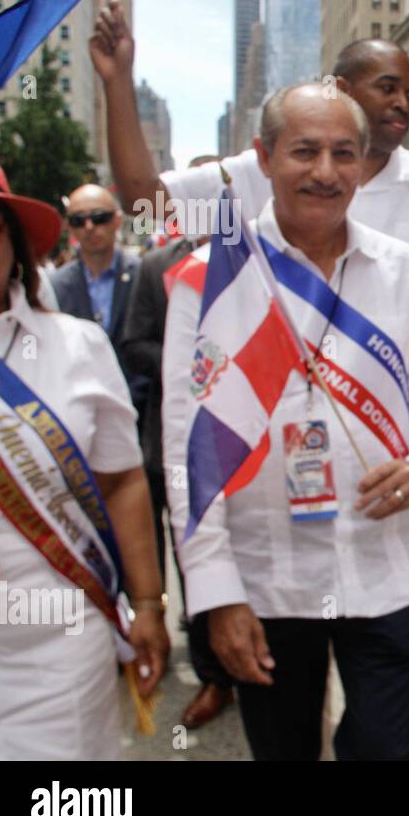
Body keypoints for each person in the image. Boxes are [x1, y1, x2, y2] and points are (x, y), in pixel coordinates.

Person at [91, 2, 409, 526]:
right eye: (388, 87)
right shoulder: (262, 172)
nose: (402, 103)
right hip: (269, 467)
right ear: (342, 92)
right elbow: (146, 200)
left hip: (389, 466)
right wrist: (118, 81)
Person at [162, 84, 409, 761]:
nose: (326, 172)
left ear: (363, 164)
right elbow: (189, 450)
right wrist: (215, 595)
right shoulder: (209, 279)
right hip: (266, 581)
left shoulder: (405, 270)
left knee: (386, 750)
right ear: (263, 157)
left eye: (344, 154)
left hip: (385, 567)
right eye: (304, 151)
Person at [0, 152, 168, 759]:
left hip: (59, 647)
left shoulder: (78, 346)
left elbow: (122, 481)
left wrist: (146, 605)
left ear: (12, 242)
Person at [120, 154, 236, 732]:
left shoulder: (255, 259)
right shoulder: (155, 267)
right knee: (190, 544)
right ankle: (209, 664)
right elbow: (133, 343)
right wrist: (188, 361)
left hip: (246, 440)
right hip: (173, 436)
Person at [51, 184, 146, 412]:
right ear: (69, 228)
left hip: (139, 410)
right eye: (78, 220)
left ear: (117, 220)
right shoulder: (55, 285)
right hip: (77, 410)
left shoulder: (144, 276)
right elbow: (34, 343)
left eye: (99, 217)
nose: (90, 227)